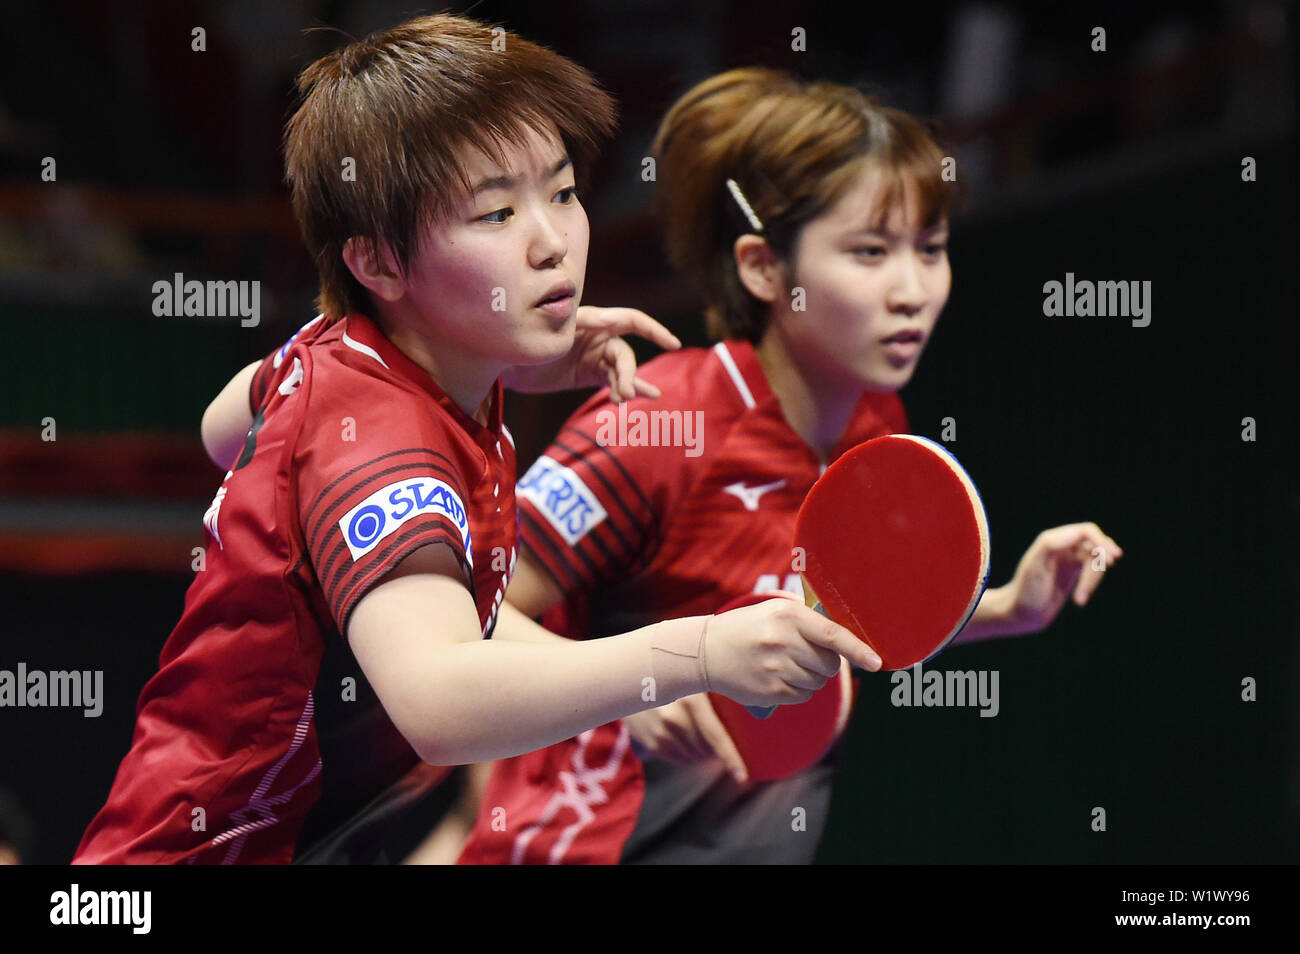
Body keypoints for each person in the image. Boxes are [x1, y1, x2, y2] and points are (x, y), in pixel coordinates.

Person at [73, 24, 878, 866]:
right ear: (379, 264)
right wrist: (701, 653)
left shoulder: (340, 355)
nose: (550, 240)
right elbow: (442, 702)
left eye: (562, 194)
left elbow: (220, 426)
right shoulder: (380, 443)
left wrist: (495, 359)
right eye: (497, 211)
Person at [445, 67, 1125, 864]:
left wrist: (1010, 606)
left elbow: (837, 623)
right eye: (869, 252)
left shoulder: (876, 435)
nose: (912, 290)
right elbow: (468, 617)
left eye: (930, 250)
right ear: (766, 269)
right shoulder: (664, 424)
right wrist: (629, 689)